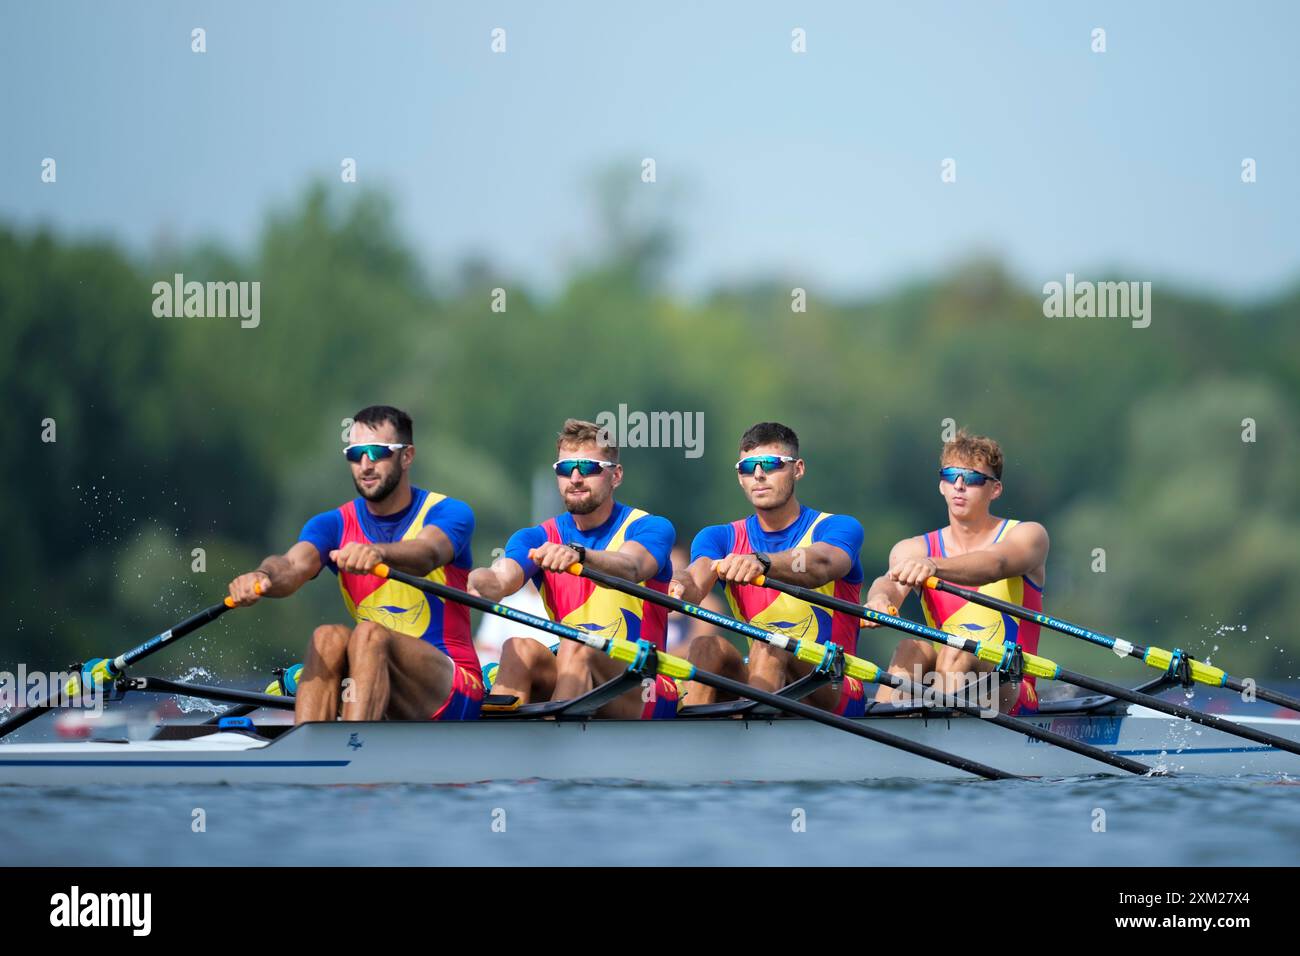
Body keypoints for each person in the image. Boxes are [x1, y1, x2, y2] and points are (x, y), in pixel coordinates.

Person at [226, 405, 481, 723]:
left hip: (454, 687)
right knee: (327, 636)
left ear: (407, 456)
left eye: (377, 452)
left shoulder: (449, 512)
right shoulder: (332, 524)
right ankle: (309, 753)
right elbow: (291, 566)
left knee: (369, 635)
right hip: (374, 678)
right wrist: (262, 577)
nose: (365, 464)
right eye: (355, 454)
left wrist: (379, 553)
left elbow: (426, 552)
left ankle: (355, 745)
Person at [467, 419, 678, 718]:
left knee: (579, 645)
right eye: (565, 470)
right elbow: (502, 578)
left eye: (589, 468)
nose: (575, 478)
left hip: (646, 684)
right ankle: (500, 757)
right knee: (517, 648)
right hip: (573, 667)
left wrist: (578, 555)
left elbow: (631, 567)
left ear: (616, 475)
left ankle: (555, 757)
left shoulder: (650, 527)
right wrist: (480, 580)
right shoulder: (537, 537)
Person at [670, 422, 868, 714]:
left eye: (772, 464)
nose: (759, 475)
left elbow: (821, 565)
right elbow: (695, 583)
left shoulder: (837, 527)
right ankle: (690, 747)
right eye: (748, 467)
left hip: (836, 686)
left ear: (798, 469)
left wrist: (761, 562)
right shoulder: (719, 537)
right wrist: (676, 584)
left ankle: (753, 746)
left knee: (774, 643)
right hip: (763, 675)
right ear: (740, 478)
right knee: (706, 646)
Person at [863, 429, 1049, 714]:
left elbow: (993, 565)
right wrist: (879, 599)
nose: (959, 486)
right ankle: (885, 736)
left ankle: (936, 732)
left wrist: (935, 565)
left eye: (973, 479)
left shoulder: (1028, 535)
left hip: (1012, 687)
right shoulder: (913, 549)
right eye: (951, 476)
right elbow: (889, 583)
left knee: (959, 649)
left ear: (995, 489)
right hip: (943, 678)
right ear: (942, 485)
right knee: (910, 649)